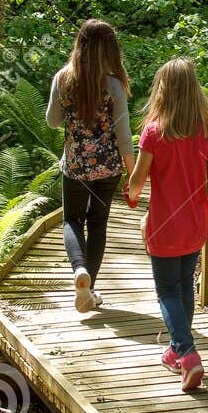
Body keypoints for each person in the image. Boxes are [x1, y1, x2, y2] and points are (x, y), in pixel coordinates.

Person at [125, 58, 208, 392]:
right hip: (197, 225)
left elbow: (138, 180)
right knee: (184, 286)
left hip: (164, 226)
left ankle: (188, 353)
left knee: (167, 290)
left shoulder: (155, 132)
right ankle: (175, 351)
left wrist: (131, 193)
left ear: (162, 90)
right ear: (195, 90)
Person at [46, 19, 134, 313]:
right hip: (109, 168)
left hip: (76, 166)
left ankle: (79, 269)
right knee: (98, 224)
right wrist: (132, 170)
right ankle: (89, 290)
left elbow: (52, 121)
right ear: (110, 50)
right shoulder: (114, 84)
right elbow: (124, 134)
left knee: (72, 220)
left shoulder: (63, 79)